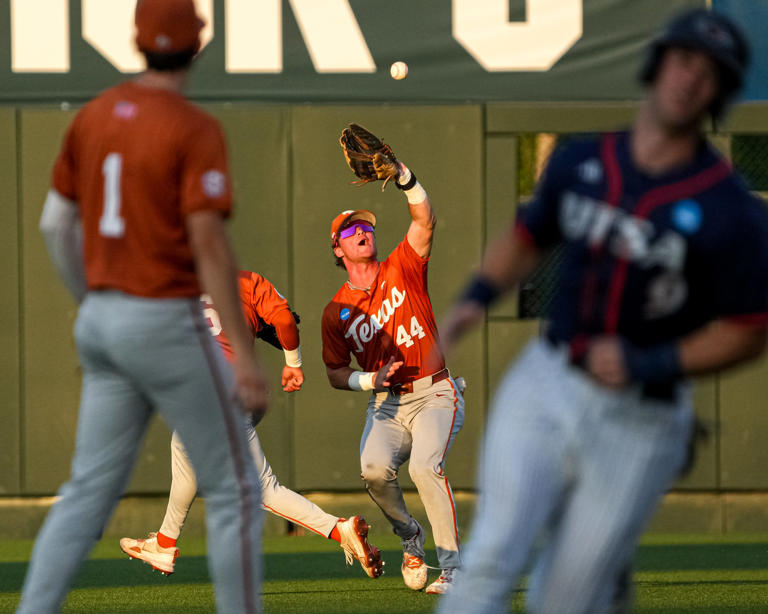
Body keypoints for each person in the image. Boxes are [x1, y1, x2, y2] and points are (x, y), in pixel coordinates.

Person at [435, 8, 768, 614]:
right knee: (488, 561)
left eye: (710, 73)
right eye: (684, 59)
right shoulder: (583, 160)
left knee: (563, 600)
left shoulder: (728, 207)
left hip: (641, 416)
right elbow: (529, 234)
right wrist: (475, 299)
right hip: (550, 377)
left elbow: (750, 330)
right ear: (658, 62)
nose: (691, 78)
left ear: (719, 94)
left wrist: (655, 359)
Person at [17, 1, 269, 612]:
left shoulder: (95, 116)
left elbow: (56, 224)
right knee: (236, 491)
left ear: (134, 40)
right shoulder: (192, 127)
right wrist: (246, 360)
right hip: (164, 319)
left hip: (101, 321)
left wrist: (93, 298)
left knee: (84, 494)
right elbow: (208, 242)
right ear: (198, 45)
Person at [119, 271, 383, 578]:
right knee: (185, 449)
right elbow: (285, 322)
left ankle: (340, 530)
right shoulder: (247, 282)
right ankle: (164, 544)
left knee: (263, 490)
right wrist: (292, 364)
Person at [321, 154, 465, 595]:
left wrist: (404, 176)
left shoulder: (402, 265)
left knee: (425, 467)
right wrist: (370, 381)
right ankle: (410, 535)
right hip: (385, 402)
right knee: (373, 471)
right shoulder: (335, 311)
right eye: (350, 231)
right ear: (338, 249)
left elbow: (424, 219)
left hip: (435, 391)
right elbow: (334, 372)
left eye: (365, 227)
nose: (361, 232)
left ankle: (455, 569)